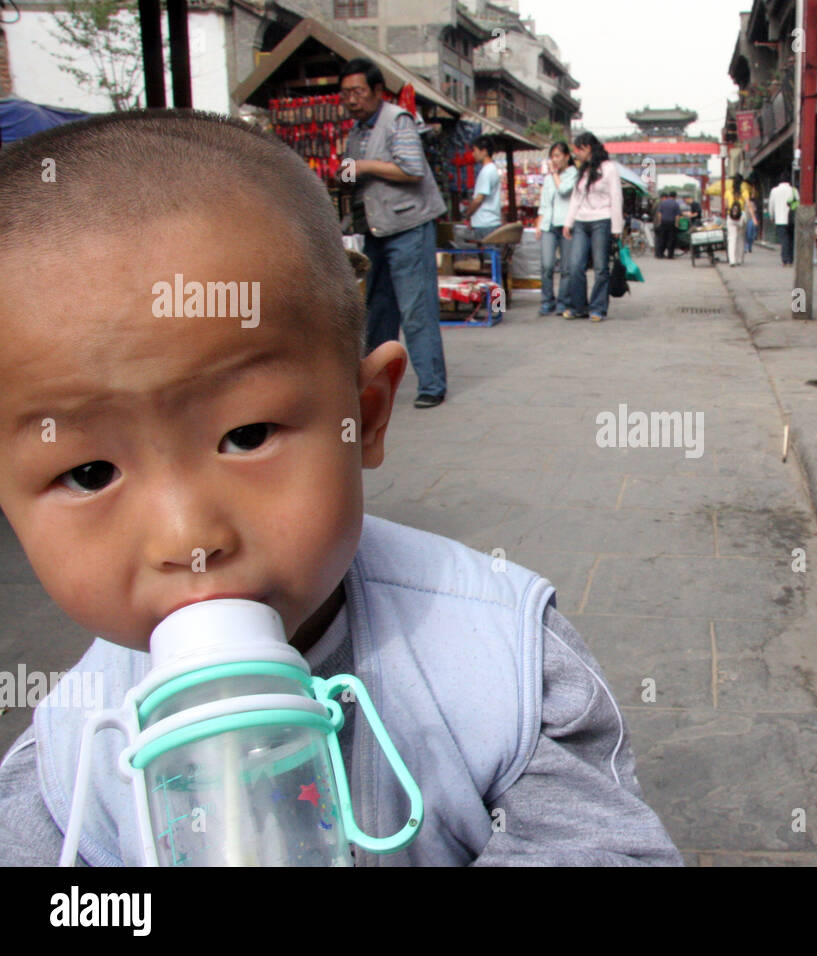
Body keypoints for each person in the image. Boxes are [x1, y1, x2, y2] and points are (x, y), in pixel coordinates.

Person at [0, 111, 682, 867]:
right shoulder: (66, 754)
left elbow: (600, 848)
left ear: (367, 416)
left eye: (248, 435)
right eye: (89, 473)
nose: (187, 537)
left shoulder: (501, 659)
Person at [340, 57, 448, 408]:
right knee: (379, 309)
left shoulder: (396, 120)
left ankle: (432, 384)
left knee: (417, 308)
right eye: (346, 94)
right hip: (376, 228)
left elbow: (412, 169)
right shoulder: (356, 131)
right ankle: (376, 385)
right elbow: (352, 175)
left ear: (376, 91)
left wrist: (363, 167)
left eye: (358, 91)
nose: (352, 100)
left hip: (409, 227)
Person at [563, 131, 623, 323]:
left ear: (587, 148)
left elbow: (616, 197)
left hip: (602, 221)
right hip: (581, 221)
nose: (575, 155)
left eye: (577, 150)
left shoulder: (609, 168)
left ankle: (597, 308)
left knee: (600, 268)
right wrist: (568, 222)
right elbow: (576, 198)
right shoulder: (583, 170)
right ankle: (579, 307)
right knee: (575, 266)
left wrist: (616, 227)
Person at [538, 140, 577, 316]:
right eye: (552, 156)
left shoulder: (573, 174)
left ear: (567, 157)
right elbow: (544, 203)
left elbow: (563, 190)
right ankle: (547, 300)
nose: (554, 160)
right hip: (549, 225)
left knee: (566, 268)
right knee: (547, 265)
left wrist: (554, 174)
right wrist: (540, 222)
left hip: (566, 225)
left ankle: (563, 301)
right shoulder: (547, 179)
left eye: (557, 156)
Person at [463, 134, 502, 240]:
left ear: (484, 151)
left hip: (486, 223)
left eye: (475, 150)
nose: (473, 154)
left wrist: (468, 214)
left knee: (488, 255)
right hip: (487, 222)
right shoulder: (490, 169)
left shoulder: (487, 171)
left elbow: (478, 199)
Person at [724, 173, 755, 267]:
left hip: (731, 217)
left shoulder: (728, 192)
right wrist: (754, 218)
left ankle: (732, 261)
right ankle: (740, 259)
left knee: (731, 238)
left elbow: (726, 206)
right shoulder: (744, 192)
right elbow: (749, 205)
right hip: (741, 217)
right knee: (741, 238)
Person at [769, 173, 797, 266]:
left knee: (784, 240)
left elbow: (771, 205)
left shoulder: (774, 191)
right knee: (791, 240)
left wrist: (771, 216)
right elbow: (799, 203)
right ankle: (791, 259)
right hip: (792, 219)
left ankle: (785, 260)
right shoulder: (793, 190)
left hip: (780, 219)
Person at [654, 189, 681, 259]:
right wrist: (676, 224)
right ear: (675, 197)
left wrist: (660, 222)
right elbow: (677, 215)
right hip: (672, 223)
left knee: (662, 238)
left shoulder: (663, 203)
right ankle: (670, 255)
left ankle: (660, 254)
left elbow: (659, 213)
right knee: (671, 239)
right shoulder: (676, 204)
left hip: (663, 222)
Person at [744, 176, 760, 253]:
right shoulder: (745, 192)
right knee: (747, 233)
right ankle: (747, 246)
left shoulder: (753, 191)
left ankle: (749, 246)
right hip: (747, 215)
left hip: (752, 216)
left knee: (751, 233)